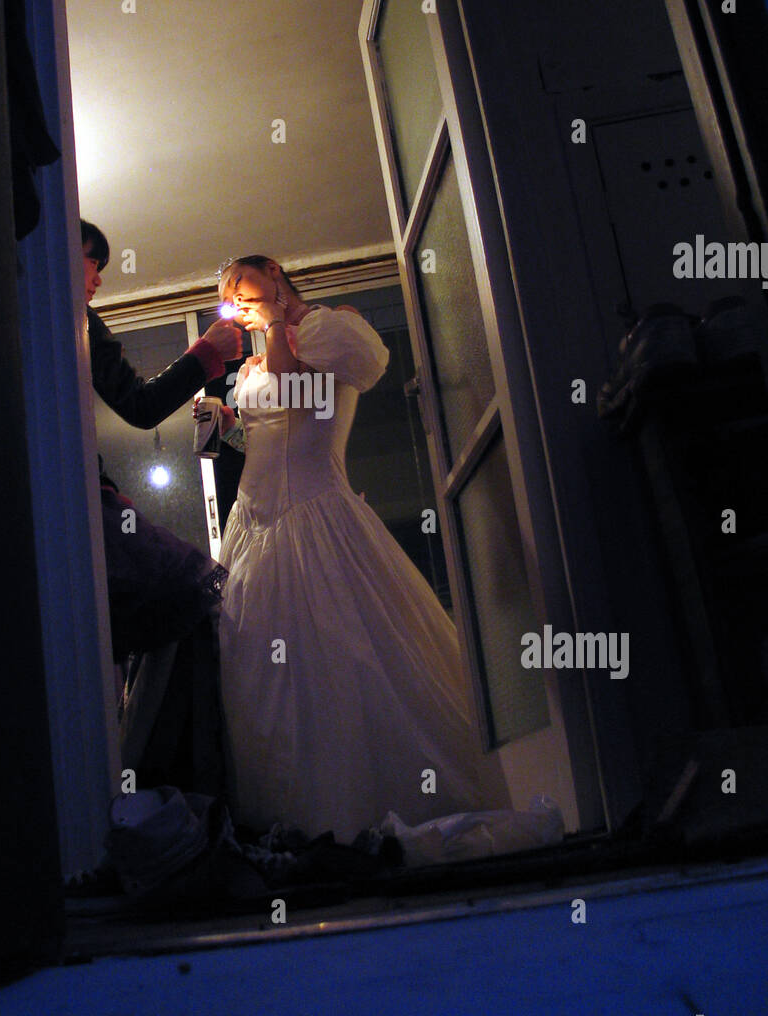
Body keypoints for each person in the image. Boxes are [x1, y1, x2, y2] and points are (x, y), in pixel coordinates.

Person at [212, 254, 485, 843]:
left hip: (314, 512)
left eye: (242, 281)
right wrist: (224, 424)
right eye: (225, 290)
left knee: (343, 650)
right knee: (260, 669)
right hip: (250, 524)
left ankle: (365, 818)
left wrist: (285, 321)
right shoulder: (252, 362)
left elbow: (303, 393)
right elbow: (264, 428)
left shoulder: (330, 330)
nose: (233, 294)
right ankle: (291, 827)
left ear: (277, 272)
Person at [81, 220, 242, 793]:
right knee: (185, 590)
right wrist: (203, 354)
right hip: (82, 503)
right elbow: (141, 404)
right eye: (92, 261)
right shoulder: (71, 317)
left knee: (119, 636)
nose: (99, 277)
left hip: (86, 498)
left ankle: (139, 787)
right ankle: (164, 789)